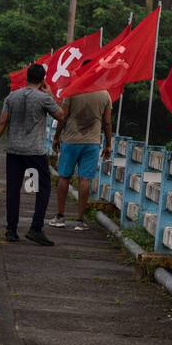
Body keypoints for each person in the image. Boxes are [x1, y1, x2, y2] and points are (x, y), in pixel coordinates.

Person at [0, 63, 69, 245]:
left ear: (27, 77)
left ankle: (11, 229)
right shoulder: (43, 98)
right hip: (34, 151)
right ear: (43, 79)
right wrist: (50, 95)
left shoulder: (12, 97)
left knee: (13, 189)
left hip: (14, 150)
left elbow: (2, 122)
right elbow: (62, 115)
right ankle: (36, 228)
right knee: (43, 188)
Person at [49, 76, 111, 230]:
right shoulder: (105, 94)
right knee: (85, 180)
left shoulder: (72, 91)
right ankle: (79, 220)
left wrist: (57, 136)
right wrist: (109, 144)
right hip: (92, 142)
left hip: (71, 140)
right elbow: (107, 122)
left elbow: (63, 117)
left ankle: (60, 216)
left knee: (64, 177)